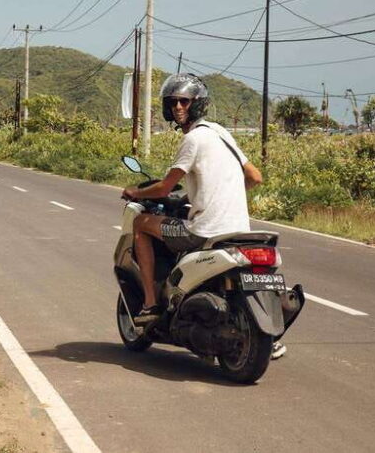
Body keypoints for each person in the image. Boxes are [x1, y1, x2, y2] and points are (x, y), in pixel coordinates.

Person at [121, 73, 287, 357]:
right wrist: (212, 195)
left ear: (197, 103)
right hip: (239, 231)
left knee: (140, 224)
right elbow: (255, 177)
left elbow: (163, 188)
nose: (177, 107)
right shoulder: (221, 133)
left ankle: (149, 304)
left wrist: (135, 192)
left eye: (184, 101)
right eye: (173, 102)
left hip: (203, 232)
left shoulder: (193, 140)